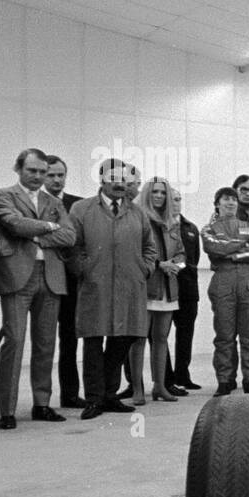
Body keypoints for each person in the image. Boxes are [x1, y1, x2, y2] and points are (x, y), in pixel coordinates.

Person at [0, 148, 77, 427]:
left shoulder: (53, 201)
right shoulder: (3, 195)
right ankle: (8, 410)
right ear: (18, 169)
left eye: (42, 171)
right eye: (32, 171)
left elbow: (69, 235)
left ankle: (42, 404)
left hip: (51, 276)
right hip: (17, 276)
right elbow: (14, 224)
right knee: (14, 342)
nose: (38, 176)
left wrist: (41, 236)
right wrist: (49, 226)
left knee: (45, 344)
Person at [69, 159, 158, 420]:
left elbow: (149, 248)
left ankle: (110, 395)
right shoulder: (81, 209)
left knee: (122, 341)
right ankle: (95, 399)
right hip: (95, 286)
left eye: (125, 180)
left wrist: (145, 269)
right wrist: (84, 269)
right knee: (94, 342)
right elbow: (73, 248)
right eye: (114, 179)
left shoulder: (137, 212)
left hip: (130, 287)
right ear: (102, 179)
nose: (120, 184)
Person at [124, 177, 185, 404]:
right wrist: (160, 265)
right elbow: (135, 252)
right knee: (139, 338)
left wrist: (175, 266)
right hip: (146, 287)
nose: (159, 196)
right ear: (147, 193)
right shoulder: (138, 217)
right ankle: (137, 388)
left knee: (161, 338)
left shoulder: (172, 223)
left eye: (163, 192)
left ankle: (160, 386)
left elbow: (181, 254)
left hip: (169, 288)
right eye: (155, 192)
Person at [201, 186, 249, 395]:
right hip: (223, 281)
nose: (230, 203)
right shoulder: (208, 229)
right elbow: (214, 247)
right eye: (226, 199)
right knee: (224, 335)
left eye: (233, 200)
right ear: (217, 203)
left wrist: (234, 253)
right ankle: (225, 380)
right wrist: (240, 245)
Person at [43, 155, 86, 408]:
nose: (57, 180)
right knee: (44, 340)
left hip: (72, 280)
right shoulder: (35, 205)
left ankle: (70, 394)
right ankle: (42, 399)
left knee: (70, 339)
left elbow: (80, 241)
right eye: (51, 175)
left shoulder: (78, 205)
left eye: (60, 175)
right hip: (44, 276)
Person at [166, 187, 202, 391]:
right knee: (160, 335)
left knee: (185, 333)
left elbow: (194, 258)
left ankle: (183, 374)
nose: (176, 203)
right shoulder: (159, 226)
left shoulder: (191, 228)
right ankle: (166, 377)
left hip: (188, 288)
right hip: (166, 286)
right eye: (173, 199)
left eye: (179, 199)